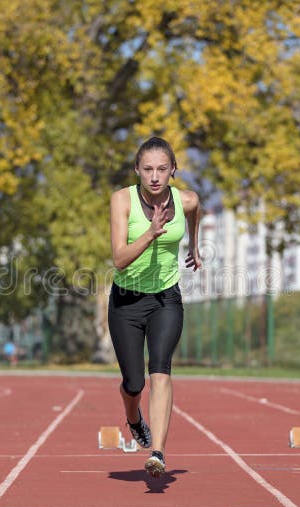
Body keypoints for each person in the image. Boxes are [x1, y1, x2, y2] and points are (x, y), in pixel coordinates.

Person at [108, 136, 201, 478]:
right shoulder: (123, 200)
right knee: (134, 383)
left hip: (165, 299)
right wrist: (150, 233)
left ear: (173, 170)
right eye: (147, 169)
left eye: (162, 169)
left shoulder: (184, 199)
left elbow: (196, 207)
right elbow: (119, 259)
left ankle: (158, 452)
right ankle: (133, 417)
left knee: (160, 369)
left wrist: (194, 245)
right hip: (126, 302)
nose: (155, 176)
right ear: (137, 170)